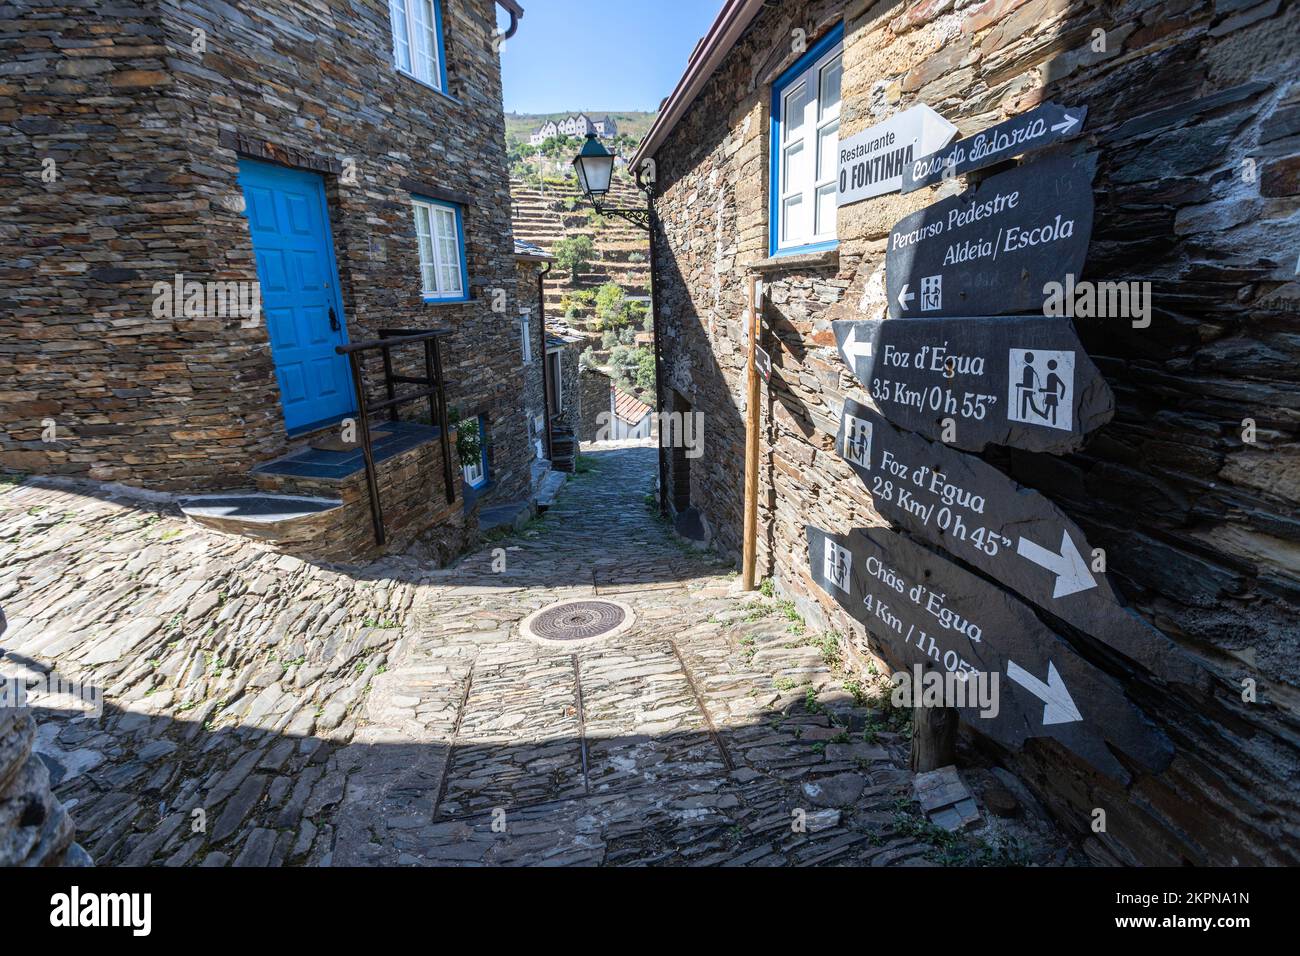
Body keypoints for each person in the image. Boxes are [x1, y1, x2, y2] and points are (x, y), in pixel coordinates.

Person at [1041, 359, 1067, 427]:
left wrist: (1062, 395)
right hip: (1050, 395)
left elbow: (1063, 386)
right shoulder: (1049, 375)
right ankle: (1052, 422)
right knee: (1050, 409)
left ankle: (1054, 423)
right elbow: (1062, 386)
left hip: (1051, 395)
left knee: (1052, 409)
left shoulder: (1052, 376)